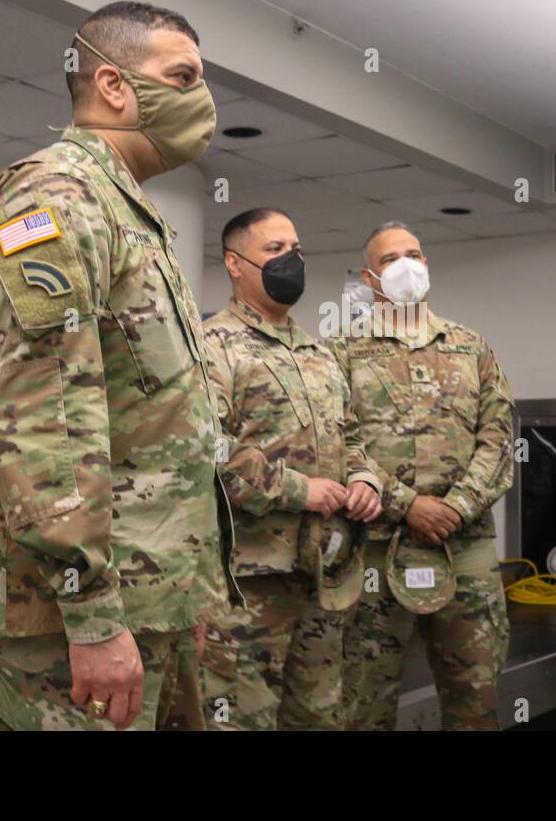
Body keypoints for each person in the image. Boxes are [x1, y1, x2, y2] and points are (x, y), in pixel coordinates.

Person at [0, 0, 238, 731]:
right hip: (84, 618)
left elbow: (155, 422)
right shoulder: (55, 196)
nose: (203, 99)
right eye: (184, 77)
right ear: (114, 85)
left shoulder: (129, 212)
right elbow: (41, 420)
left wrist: (184, 596)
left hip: (153, 600)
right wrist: (91, 612)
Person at [199, 207, 383, 730]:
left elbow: (351, 438)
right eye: (275, 249)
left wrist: (364, 480)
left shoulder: (318, 353)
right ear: (234, 264)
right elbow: (206, 450)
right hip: (250, 581)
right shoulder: (212, 346)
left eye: (296, 250)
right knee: (244, 718)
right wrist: (299, 491)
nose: (291, 260)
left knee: (320, 716)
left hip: (323, 574)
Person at [332, 221, 515, 730]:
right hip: (376, 550)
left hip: (466, 548)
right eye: (390, 259)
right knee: (365, 699)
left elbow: (499, 439)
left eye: (413, 255)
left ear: (427, 265)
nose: (405, 266)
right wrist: (406, 503)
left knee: (476, 697)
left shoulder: (471, 346)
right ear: (369, 278)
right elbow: (338, 443)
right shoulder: (342, 352)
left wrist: (456, 507)